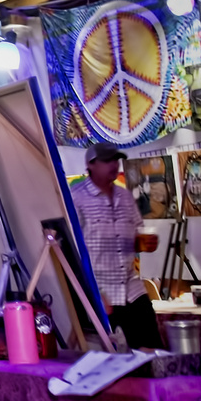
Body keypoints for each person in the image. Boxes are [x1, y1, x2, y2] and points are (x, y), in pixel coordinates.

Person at [69, 143, 159, 349]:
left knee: (153, 352)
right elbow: (72, 252)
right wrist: (93, 293)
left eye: (115, 160)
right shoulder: (76, 198)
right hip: (102, 292)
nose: (114, 165)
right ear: (91, 164)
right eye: (107, 160)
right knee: (118, 359)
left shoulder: (125, 197)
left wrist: (146, 244)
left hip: (132, 289)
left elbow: (135, 239)